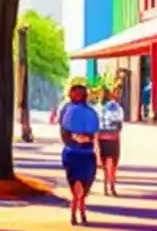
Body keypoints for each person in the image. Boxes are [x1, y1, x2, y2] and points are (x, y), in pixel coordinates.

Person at [59, 84, 101, 225]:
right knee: (80, 187)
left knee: (79, 188)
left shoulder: (68, 111)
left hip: (77, 153)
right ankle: (78, 214)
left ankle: (78, 213)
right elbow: (93, 135)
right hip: (81, 154)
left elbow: (64, 133)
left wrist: (75, 138)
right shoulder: (90, 113)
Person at [97, 88, 125, 196]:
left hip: (102, 137)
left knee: (104, 165)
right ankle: (112, 186)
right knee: (113, 164)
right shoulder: (117, 107)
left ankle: (105, 187)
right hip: (113, 137)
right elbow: (120, 124)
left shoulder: (97, 108)